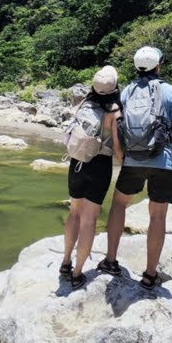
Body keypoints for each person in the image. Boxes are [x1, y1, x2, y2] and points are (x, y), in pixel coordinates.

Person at [100, 45, 172, 290]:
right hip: (164, 161)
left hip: (133, 160)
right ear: (158, 65)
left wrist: (122, 156)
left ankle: (110, 260)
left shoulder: (126, 92)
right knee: (157, 215)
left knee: (119, 203)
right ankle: (149, 275)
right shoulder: (170, 92)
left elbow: (118, 125)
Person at [59, 65, 123, 289]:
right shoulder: (114, 111)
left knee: (74, 213)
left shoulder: (84, 103)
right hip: (99, 166)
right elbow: (116, 148)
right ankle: (77, 273)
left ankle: (65, 262)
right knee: (89, 220)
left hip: (77, 162)